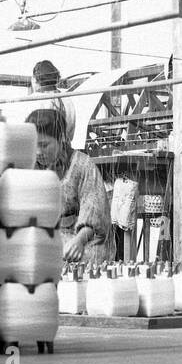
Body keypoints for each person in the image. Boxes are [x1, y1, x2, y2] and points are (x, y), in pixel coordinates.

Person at [27, 107, 113, 267]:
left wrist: (79, 241)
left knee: (79, 261)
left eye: (44, 145)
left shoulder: (82, 165)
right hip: (47, 238)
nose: (38, 151)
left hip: (83, 239)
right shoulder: (30, 167)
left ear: (61, 139)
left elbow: (95, 215)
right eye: (34, 145)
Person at [29, 59, 77, 144]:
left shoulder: (33, 100)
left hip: (42, 151)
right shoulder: (67, 100)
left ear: (35, 79)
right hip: (64, 150)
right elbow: (71, 134)